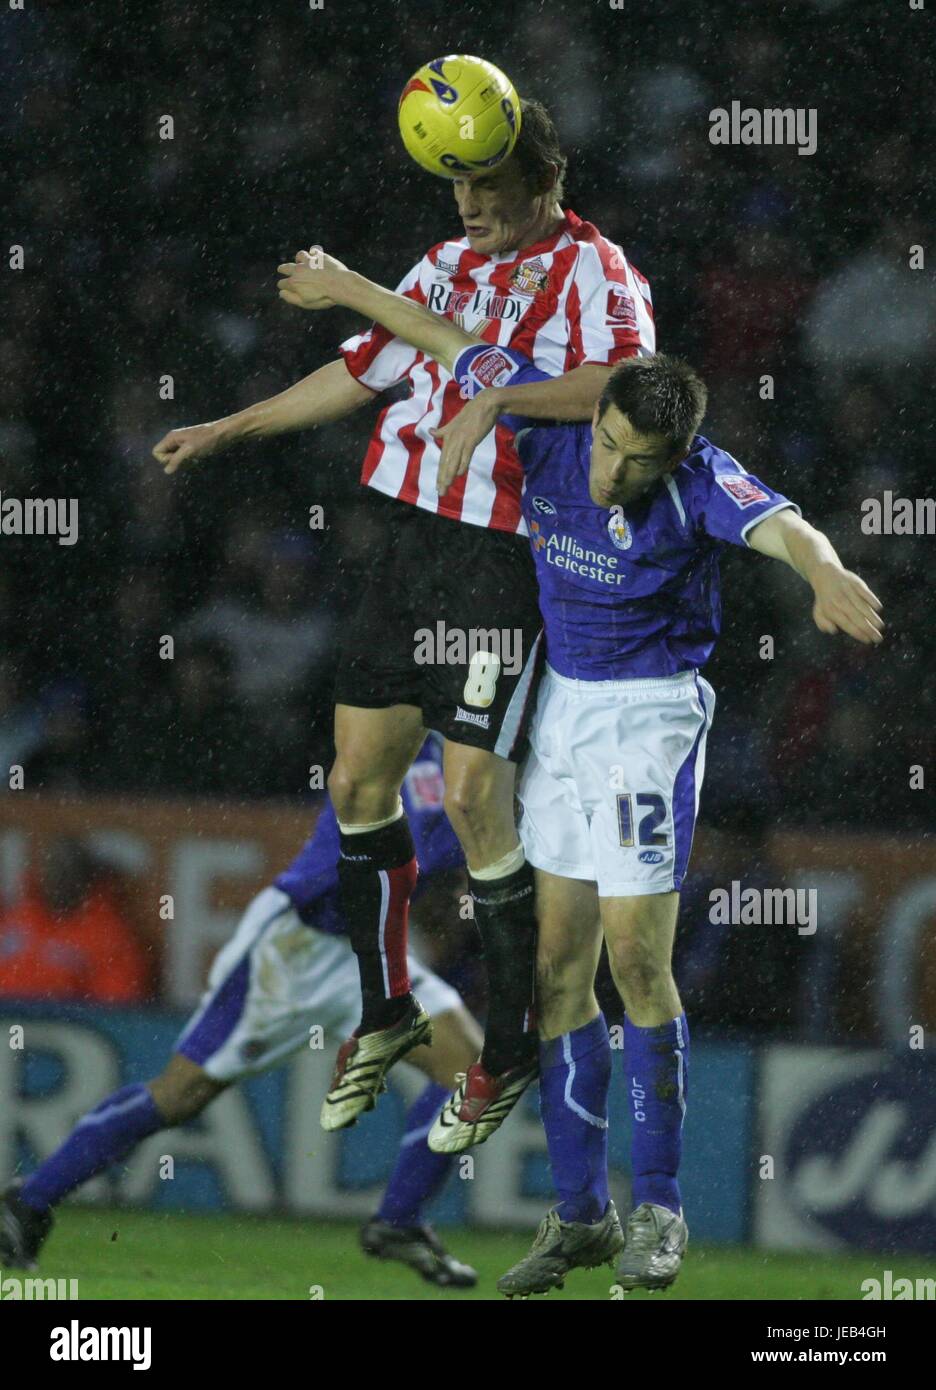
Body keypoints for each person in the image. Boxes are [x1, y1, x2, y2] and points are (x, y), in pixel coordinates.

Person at [271, 252, 883, 1295]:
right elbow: (449, 342)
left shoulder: (698, 479)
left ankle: (662, 1212)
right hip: (561, 717)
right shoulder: (553, 432)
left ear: (675, 453)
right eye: (606, 442)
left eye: (634, 459)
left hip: (648, 723)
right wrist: (347, 289)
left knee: (638, 964)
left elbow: (786, 525)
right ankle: (580, 1215)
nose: (609, 470)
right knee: (555, 975)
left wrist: (826, 571)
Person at [153, 99, 655, 1143]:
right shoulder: (439, 265)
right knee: (353, 783)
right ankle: (386, 1010)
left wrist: (503, 395)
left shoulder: (597, 272)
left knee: (474, 797)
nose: (469, 205)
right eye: (458, 186)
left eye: (487, 186)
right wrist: (226, 427)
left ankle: (510, 1044)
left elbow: (622, 384)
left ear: (541, 182)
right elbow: (359, 370)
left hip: (500, 558)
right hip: (404, 545)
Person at [1, 738, 482, 1289]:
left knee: (470, 1072)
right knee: (181, 1094)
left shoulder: (486, 772)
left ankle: (399, 1220)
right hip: (296, 944)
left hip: (372, 951)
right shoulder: (408, 739)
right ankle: (32, 1200)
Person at [0, 837, 149, 1005]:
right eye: (51, 868)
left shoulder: (109, 937)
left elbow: (116, 1011)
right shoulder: (17, 917)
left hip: (62, 1027)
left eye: (67, 870)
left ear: (85, 877)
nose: (57, 878)